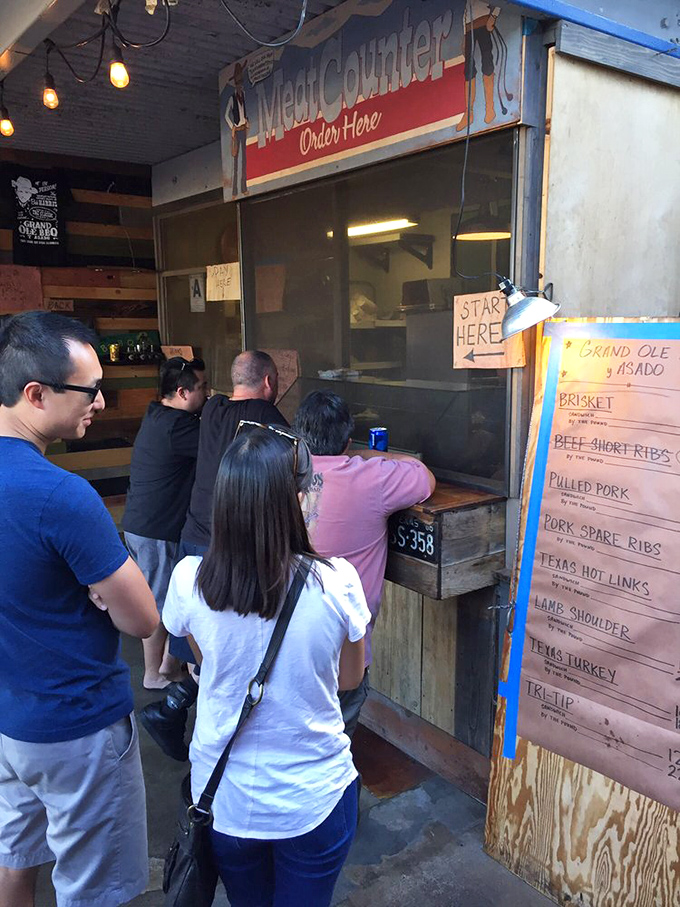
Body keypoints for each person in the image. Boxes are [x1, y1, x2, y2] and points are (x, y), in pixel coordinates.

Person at [162, 424, 370, 907]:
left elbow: (198, 656)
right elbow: (350, 679)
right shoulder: (337, 582)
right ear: (296, 499)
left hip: (224, 799)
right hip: (314, 797)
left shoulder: (189, 579)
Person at [0, 311, 158, 907]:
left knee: (15, 858)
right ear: (35, 394)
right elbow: (142, 619)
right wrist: (99, 586)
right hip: (78, 725)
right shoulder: (62, 494)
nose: (100, 400)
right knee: (95, 888)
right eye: (88, 389)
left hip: (10, 717)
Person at [141, 350, 287, 760]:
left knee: (202, 653)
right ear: (270, 383)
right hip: (233, 544)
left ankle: (175, 713)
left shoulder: (214, 409)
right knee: (233, 653)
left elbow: (216, 396)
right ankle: (209, 743)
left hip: (194, 539)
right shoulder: (271, 422)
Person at [292, 390, 436, 737]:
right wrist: (367, 453)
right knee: (335, 746)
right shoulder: (371, 478)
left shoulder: (280, 471)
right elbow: (423, 475)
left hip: (286, 643)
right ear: (347, 439)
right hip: (345, 651)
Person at [122, 356, 208, 690]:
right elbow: (220, 443)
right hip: (156, 529)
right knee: (157, 603)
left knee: (161, 596)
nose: (207, 392)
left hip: (140, 524)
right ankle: (153, 673)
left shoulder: (157, 414)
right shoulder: (179, 427)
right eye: (201, 387)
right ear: (183, 392)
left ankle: (168, 667)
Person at [225, 61, 248, 198]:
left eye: (241, 82)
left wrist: (247, 119)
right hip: (237, 129)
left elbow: (244, 111)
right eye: (238, 82)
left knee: (244, 159)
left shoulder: (243, 95)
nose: (240, 85)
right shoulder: (232, 98)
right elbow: (226, 114)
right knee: (235, 160)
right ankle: (234, 191)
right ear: (235, 84)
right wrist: (232, 127)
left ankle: (243, 187)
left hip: (243, 129)